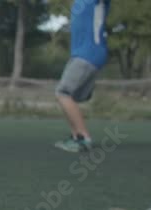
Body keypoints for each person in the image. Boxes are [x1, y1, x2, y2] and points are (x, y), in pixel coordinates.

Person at [54, 0, 110, 153]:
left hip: (88, 54)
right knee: (70, 96)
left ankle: (83, 138)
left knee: (63, 93)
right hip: (81, 54)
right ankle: (76, 137)